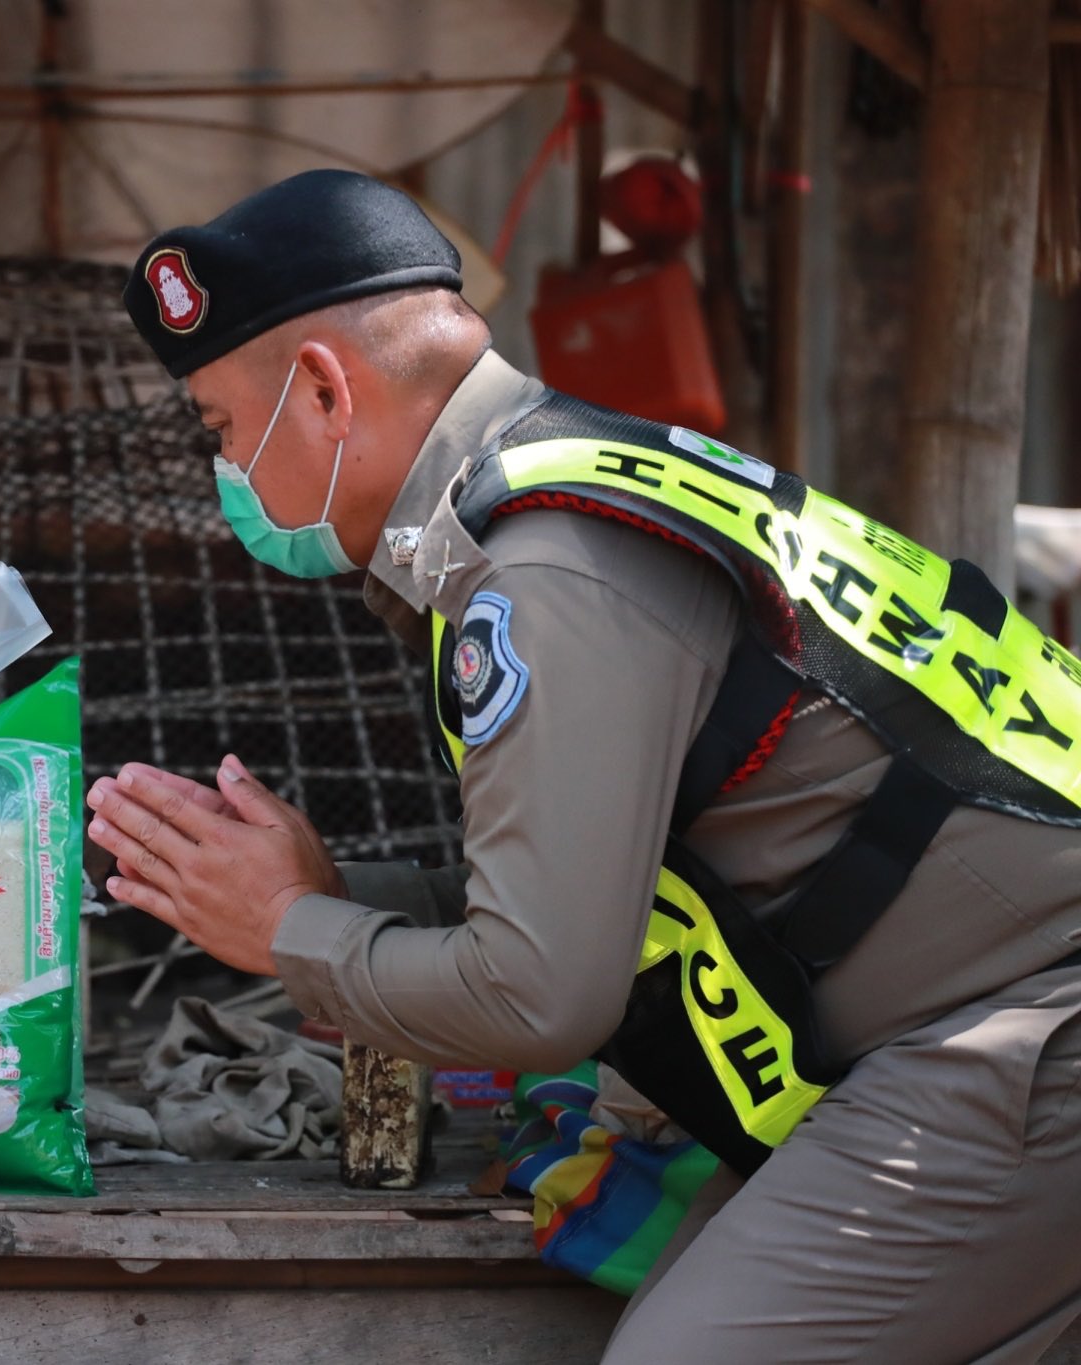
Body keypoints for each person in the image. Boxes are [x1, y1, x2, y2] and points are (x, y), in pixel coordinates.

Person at [86, 169, 1081, 1363]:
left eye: (220, 428)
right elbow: (605, 892)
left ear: (319, 391)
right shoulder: (589, 485)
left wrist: (288, 930)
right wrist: (327, 894)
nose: (226, 473)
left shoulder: (542, 574)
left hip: (1022, 1036)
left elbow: (541, 993)